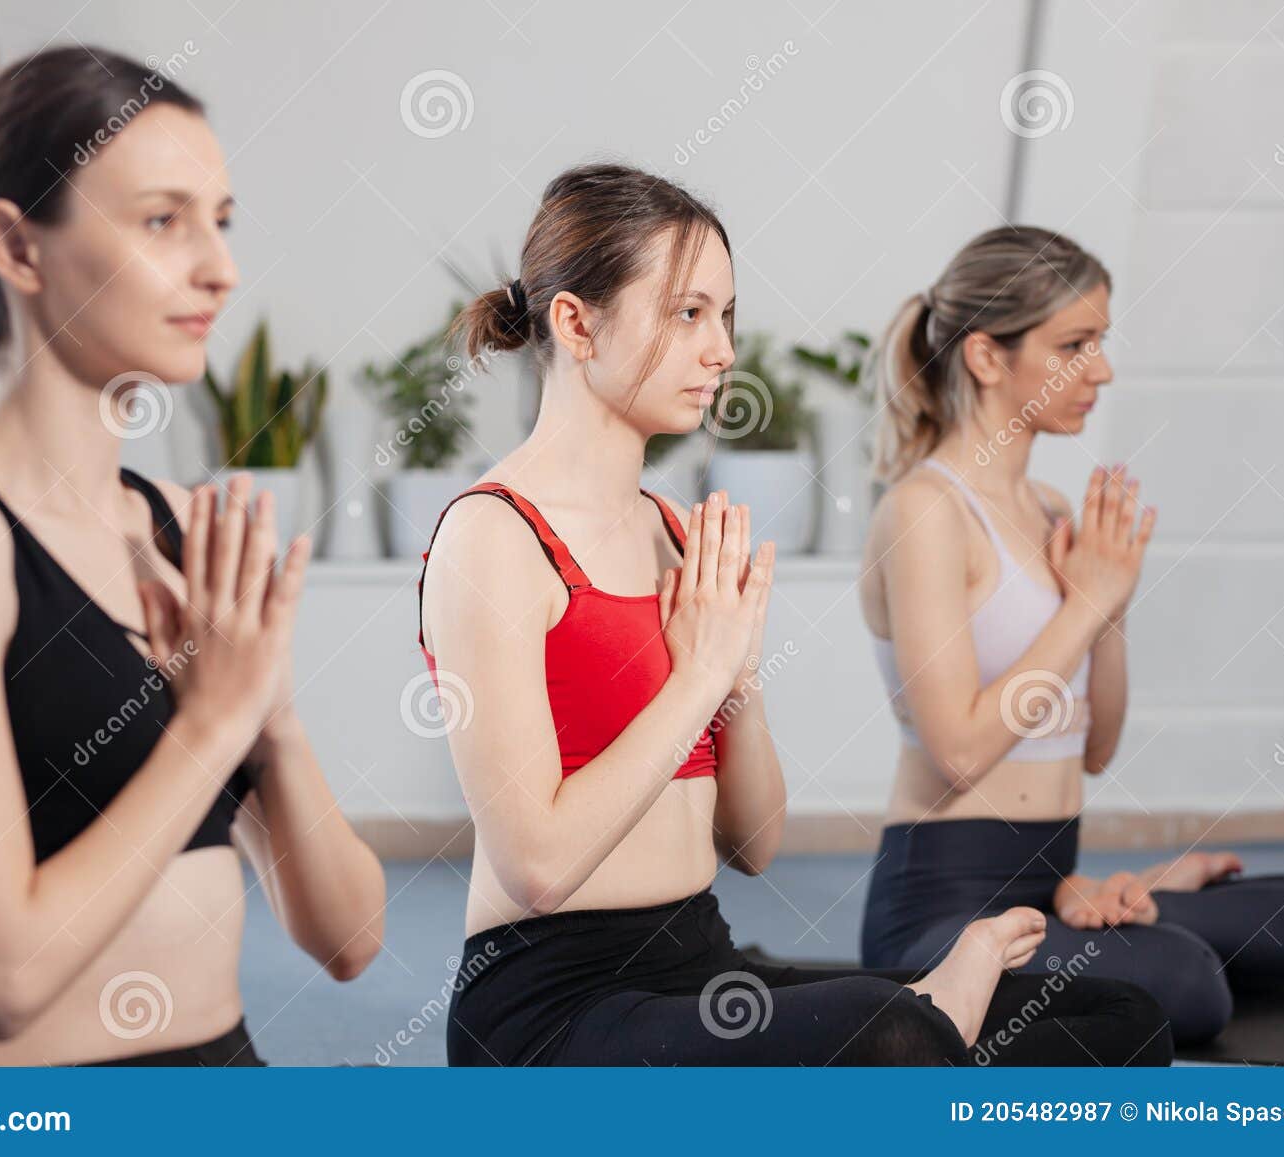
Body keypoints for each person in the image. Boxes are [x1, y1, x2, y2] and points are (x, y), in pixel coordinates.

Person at [417, 164, 1173, 1066]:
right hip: (552, 1006)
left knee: (1121, 1016)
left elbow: (757, 843)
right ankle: (929, 1031)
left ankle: (929, 1040)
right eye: (687, 313)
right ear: (577, 323)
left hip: (700, 958)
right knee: (889, 1030)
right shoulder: (493, 536)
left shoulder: (676, 532)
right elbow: (537, 866)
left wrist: (736, 679)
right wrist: (698, 673)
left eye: (725, 316)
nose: (720, 350)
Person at [0, 46, 385, 1066]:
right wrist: (212, 722)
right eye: (161, 220)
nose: (219, 268)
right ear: (17, 244)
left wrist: (269, 718)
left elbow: (352, 939)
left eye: (219, 220)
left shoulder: (179, 525)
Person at [857, 224, 1284, 1045]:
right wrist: (1086, 604)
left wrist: (1111, 607)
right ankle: (1141, 925)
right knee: (1188, 984)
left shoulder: (1053, 510)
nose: (1100, 369)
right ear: (987, 357)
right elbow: (957, 751)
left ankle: (1142, 900)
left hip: (1054, 885)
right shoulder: (924, 511)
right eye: (1073, 345)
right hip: (945, 911)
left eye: (1099, 341)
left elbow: (1095, 747)